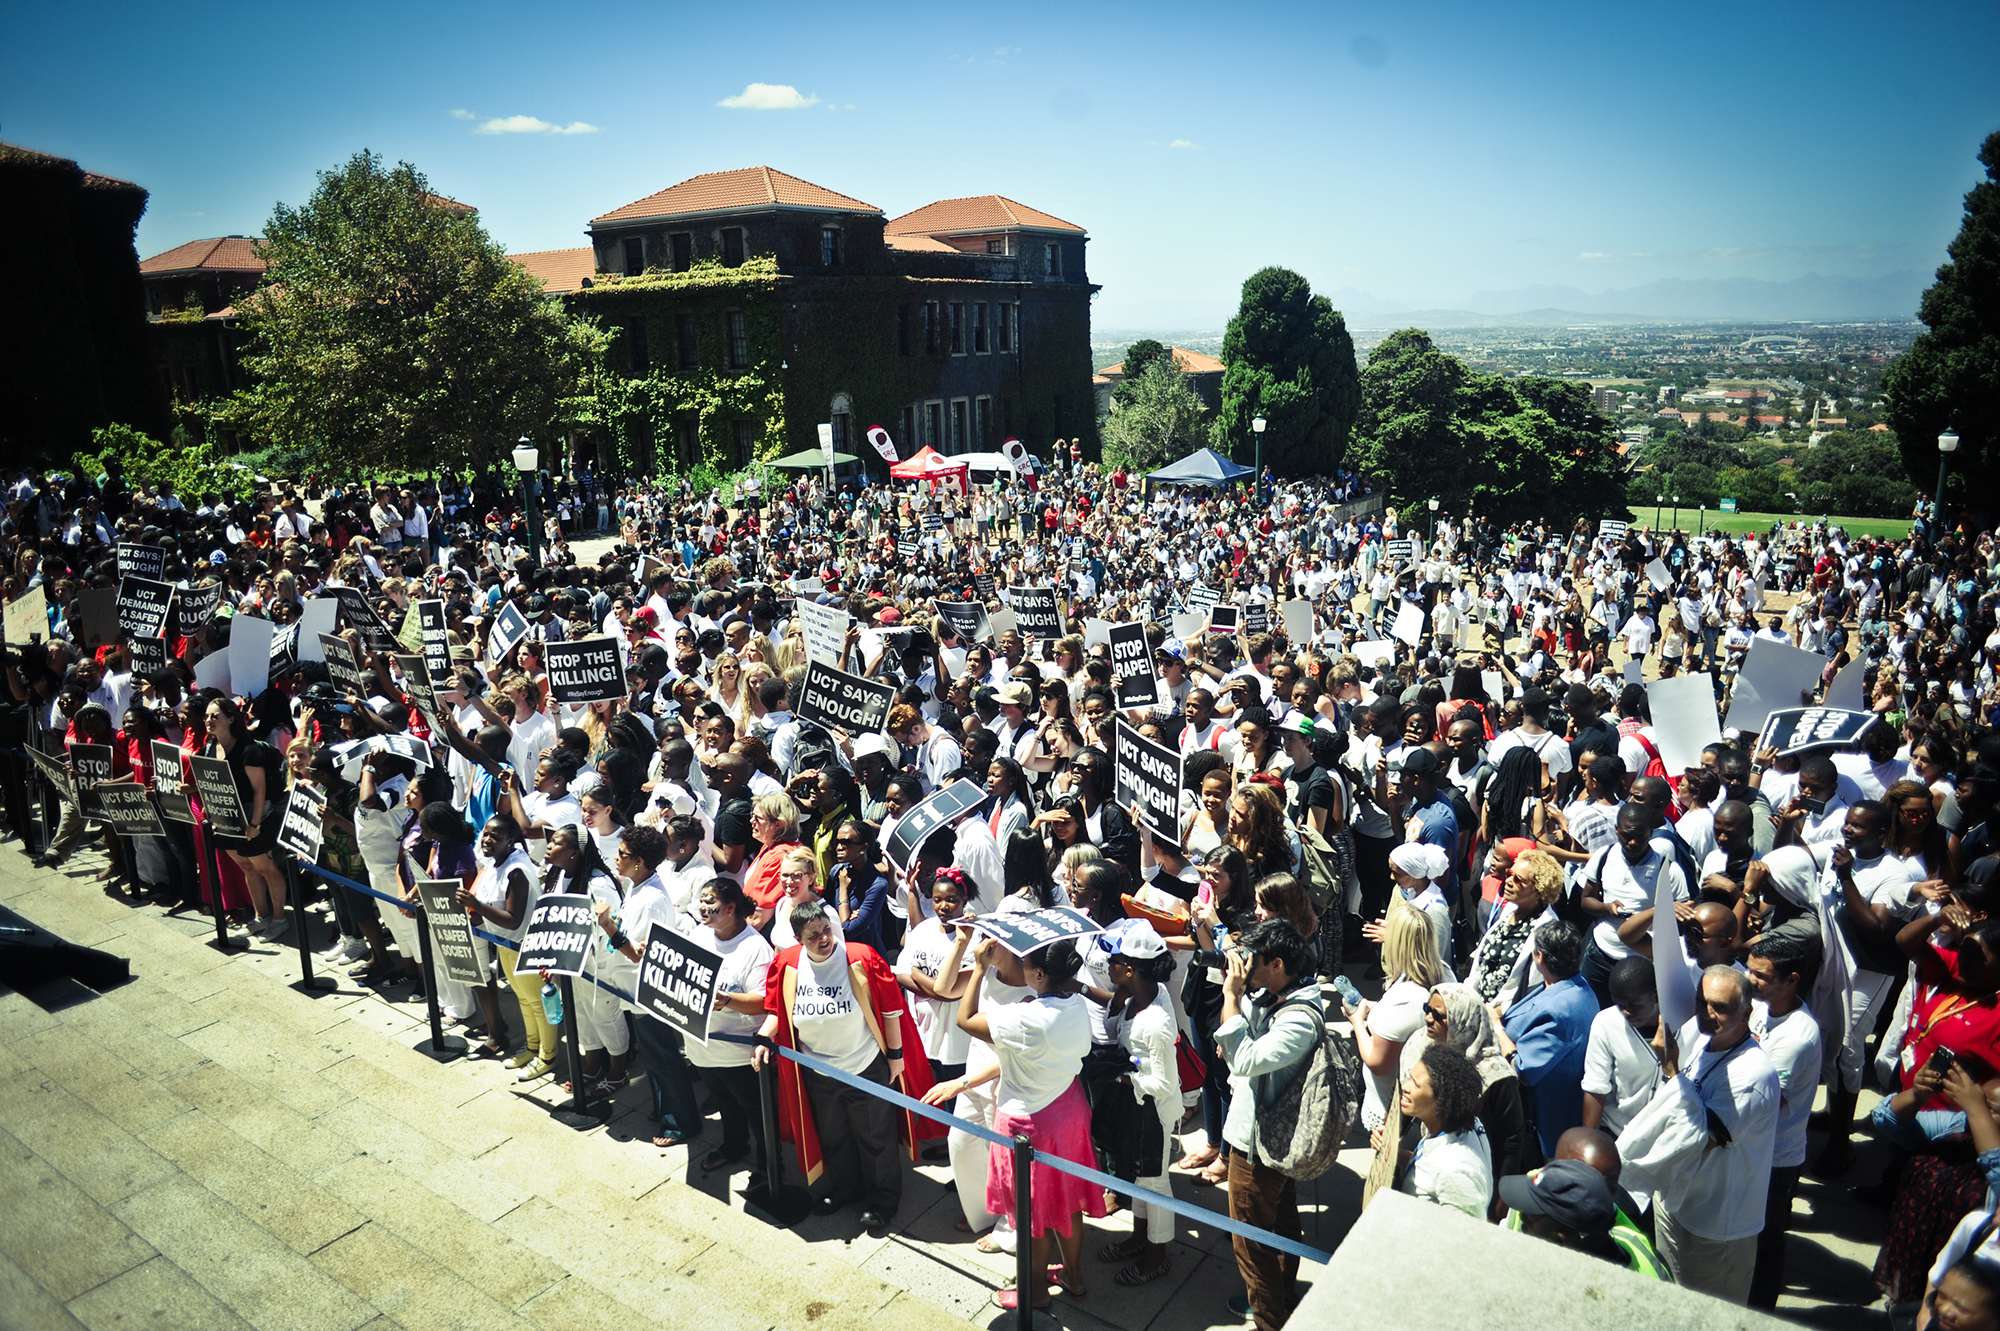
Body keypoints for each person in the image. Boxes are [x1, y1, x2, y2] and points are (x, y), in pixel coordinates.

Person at [753, 901, 938, 1231]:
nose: (824, 939)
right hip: (819, 1070)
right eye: (813, 936)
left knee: (875, 1137)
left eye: (826, 930)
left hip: (865, 1066)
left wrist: (895, 1057)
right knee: (834, 1134)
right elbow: (776, 1011)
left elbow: (891, 1011)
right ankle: (847, 1188)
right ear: (798, 939)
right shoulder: (788, 964)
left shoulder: (861, 957)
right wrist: (763, 1038)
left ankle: (883, 1199)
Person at [954, 929, 1105, 1312]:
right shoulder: (1076, 1004)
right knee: (1066, 1202)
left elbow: (965, 1019)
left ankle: (1035, 1292)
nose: (1019, 965)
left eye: (1026, 962)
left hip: (1029, 1123)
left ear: (1039, 975)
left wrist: (978, 967)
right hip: (1068, 1110)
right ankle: (1074, 1275)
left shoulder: (1025, 1018)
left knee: (1032, 1214)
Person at [1620, 966, 1782, 1304]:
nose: (1707, 1013)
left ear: (1746, 1013)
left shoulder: (1752, 1075)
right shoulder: (1706, 1041)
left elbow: (1698, 1141)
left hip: (1716, 1227)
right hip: (1678, 1205)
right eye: (1701, 1001)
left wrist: (1671, 1070)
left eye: (1720, 1007)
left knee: (1711, 1316)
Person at [1217, 918, 1324, 1331]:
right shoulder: (1281, 993)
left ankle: (1268, 1319)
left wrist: (1231, 994)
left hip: (1259, 1145)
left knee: (1251, 1243)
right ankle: (1283, 1296)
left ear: (1277, 964)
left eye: (1254, 960)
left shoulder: (1300, 1018)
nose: (1246, 967)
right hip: (1275, 1138)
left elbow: (1241, 1057)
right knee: (1281, 1224)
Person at [1092, 921, 1182, 1286]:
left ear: (1129, 969)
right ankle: (1140, 1237)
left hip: (1154, 1113)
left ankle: (1157, 1254)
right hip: (1136, 1106)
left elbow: (1164, 1082)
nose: (1107, 966)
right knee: (1142, 1179)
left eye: (1113, 961)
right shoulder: (1131, 1003)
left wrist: (1125, 1077)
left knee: (1156, 1183)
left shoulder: (1156, 1021)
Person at [1746, 931, 1826, 1308]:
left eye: (1761, 975)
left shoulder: (1797, 1036)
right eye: (1750, 971)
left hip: (1775, 1157)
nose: (1751, 981)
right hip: (1755, 1147)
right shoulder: (1762, 1006)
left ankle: (1761, 1310)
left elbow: (1766, 1101)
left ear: (1792, 980)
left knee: (1767, 1238)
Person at [1404, 981, 1524, 1218]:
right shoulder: (1423, 1046)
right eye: (1427, 1009)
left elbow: (1510, 1144)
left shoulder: (1497, 1077)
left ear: (1464, 1020)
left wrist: (1497, 1209)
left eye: (1439, 1015)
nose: (1428, 1019)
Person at [683, 876, 776, 1179]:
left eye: (710, 901)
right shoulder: (700, 934)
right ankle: (734, 1145)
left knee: (756, 1112)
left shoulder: (754, 948)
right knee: (724, 1101)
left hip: (738, 1053)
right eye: (702, 900)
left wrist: (727, 1000)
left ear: (731, 907)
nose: (702, 906)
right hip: (703, 1047)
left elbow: (764, 1002)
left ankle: (769, 1167)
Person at [1495, 919, 1598, 1163]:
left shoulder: (1558, 1010)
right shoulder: (1576, 984)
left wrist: (1496, 1029)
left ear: (1539, 957)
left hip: (1545, 1124)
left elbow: (1524, 1070)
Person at [1378, 1043, 1493, 1218]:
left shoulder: (1456, 1173)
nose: (1405, 1087)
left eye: (1416, 1085)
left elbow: (1465, 1236)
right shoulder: (1462, 1126)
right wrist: (1392, 1153)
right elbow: (1430, 1168)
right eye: (1409, 1078)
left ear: (1441, 1101)